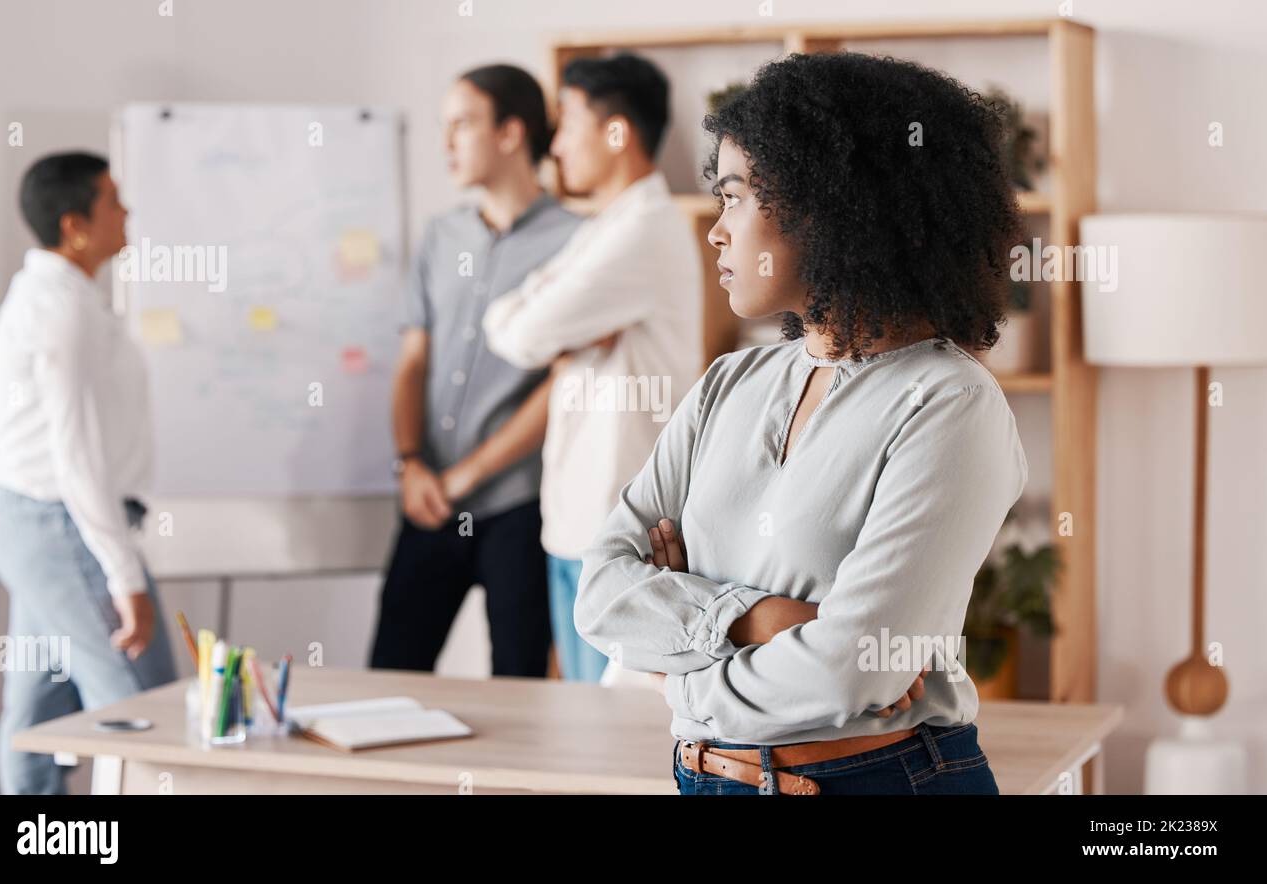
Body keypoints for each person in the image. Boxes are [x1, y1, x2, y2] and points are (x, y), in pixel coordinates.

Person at [575, 52, 1028, 795]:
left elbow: (854, 667)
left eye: (736, 196)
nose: (717, 232)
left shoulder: (951, 404)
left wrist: (668, 680)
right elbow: (601, 592)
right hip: (704, 779)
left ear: (831, 204)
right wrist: (757, 619)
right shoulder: (729, 382)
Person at [483, 53, 702, 683]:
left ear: (616, 133)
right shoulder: (605, 228)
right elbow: (507, 321)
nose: (555, 146)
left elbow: (524, 333)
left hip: (616, 529)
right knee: (585, 722)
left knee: (610, 737)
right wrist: (562, 329)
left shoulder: (644, 230)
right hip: (577, 521)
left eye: (569, 124)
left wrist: (556, 331)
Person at [368, 64, 582, 677]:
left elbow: (562, 387)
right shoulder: (440, 236)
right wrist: (411, 463)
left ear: (512, 132)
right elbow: (413, 363)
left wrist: (464, 479)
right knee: (390, 673)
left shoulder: (579, 241)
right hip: (425, 495)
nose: (447, 143)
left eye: (462, 124)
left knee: (521, 689)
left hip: (517, 506)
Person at [0, 152, 177, 794]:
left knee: (38, 709)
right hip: (59, 520)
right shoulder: (60, 311)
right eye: (114, 202)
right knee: (145, 711)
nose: (128, 214)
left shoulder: (61, 296)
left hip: (35, 518)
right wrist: (127, 578)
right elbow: (78, 457)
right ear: (75, 226)